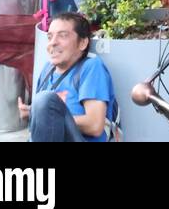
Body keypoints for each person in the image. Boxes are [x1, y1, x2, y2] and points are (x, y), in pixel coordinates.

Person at [28, 11, 117, 143]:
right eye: (50, 37)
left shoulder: (91, 67)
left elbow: (95, 125)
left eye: (62, 36)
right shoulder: (47, 70)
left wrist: (50, 118)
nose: (53, 43)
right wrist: (33, 114)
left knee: (45, 100)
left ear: (82, 43)